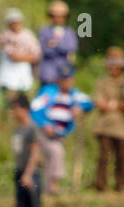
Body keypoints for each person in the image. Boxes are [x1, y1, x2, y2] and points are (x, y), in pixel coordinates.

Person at [29, 66, 91, 194]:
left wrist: (80, 108)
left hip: (59, 134)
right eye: (63, 80)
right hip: (43, 132)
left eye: (68, 79)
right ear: (58, 80)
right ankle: (53, 185)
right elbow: (34, 109)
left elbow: (89, 102)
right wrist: (45, 124)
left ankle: (47, 188)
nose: (66, 82)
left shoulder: (75, 94)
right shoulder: (48, 92)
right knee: (56, 152)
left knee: (53, 155)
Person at [9, 93, 44, 207]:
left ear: (25, 109)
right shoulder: (17, 129)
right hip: (19, 173)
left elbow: (35, 153)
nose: (14, 112)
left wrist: (28, 174)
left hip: (30, 175)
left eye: (17, 108)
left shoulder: (32, 128)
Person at [92, 47, 124, 192]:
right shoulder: (102, 82)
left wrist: (111, 105)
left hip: (121, 126)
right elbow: (99, 103)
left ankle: (120, 185)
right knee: (104, 157)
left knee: (121, 157)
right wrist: (116, 105)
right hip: (105, 126)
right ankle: (101, 185)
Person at [0, 8, 39, 99]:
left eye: (16, 21)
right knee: (11, 102)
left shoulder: (28, 34)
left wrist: (23, 56)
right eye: (12, 21)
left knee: (24, 102)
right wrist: (27, 55)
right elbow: (13, 56)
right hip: (9, 78)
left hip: (25, 76)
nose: (15, 24)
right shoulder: (5, 36)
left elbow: (36, 54)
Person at [37, 0, 77, 88]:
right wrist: (60, 47)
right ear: (50, 16)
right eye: (55, 16)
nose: (58, 19)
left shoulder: (69, 32)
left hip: (64, 76)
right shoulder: (44, 31)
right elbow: (45, 50)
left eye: (61, 16)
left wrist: (55, 44)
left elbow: (71, 48)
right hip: (48, 76)